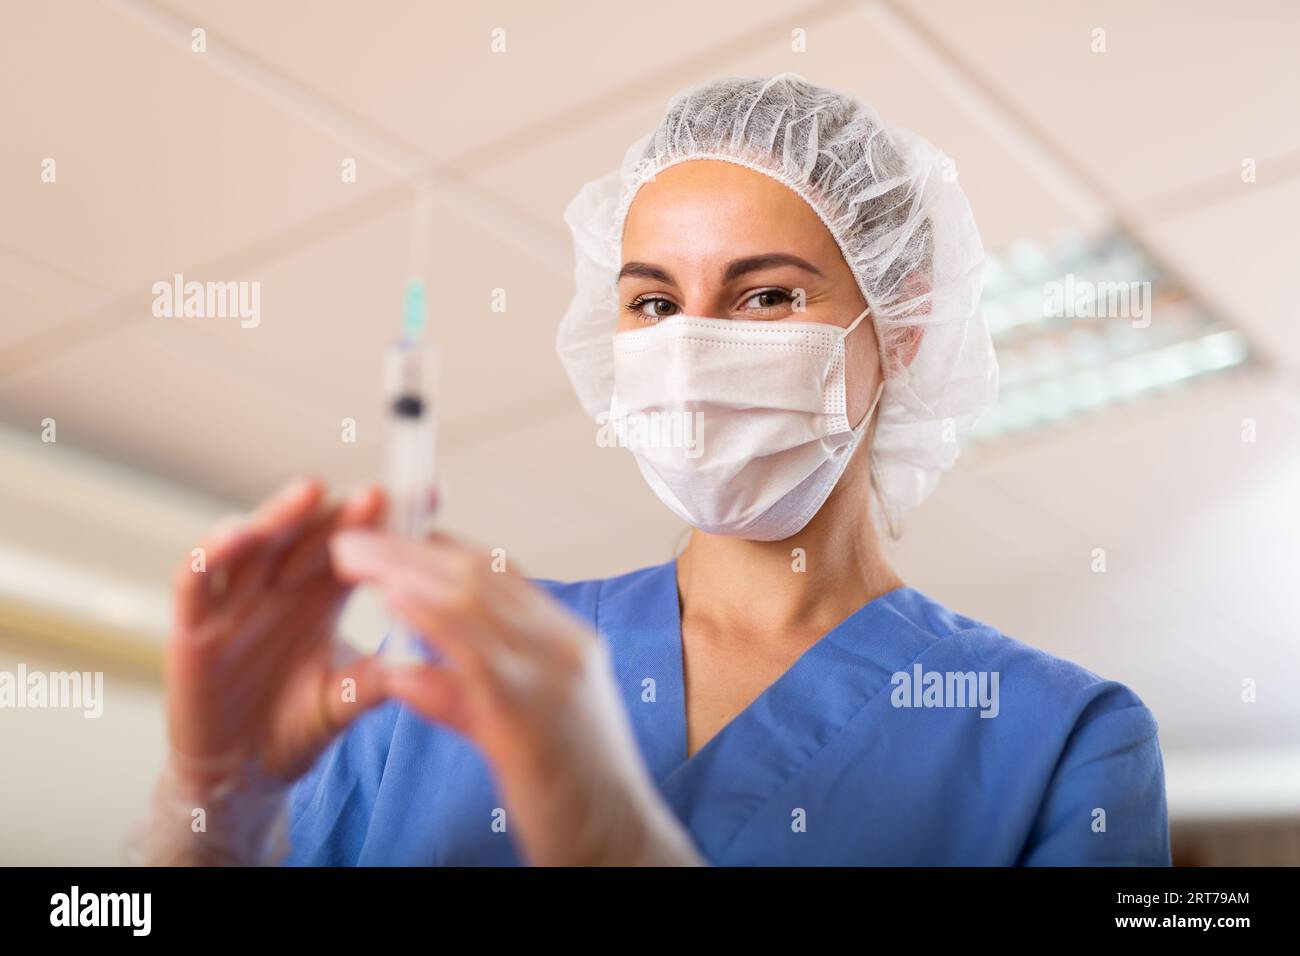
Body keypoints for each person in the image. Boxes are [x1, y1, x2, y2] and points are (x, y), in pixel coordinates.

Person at [133, 74, 1170, 866]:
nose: (690, 348)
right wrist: (210, 805)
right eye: (655, 304)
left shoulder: (1055, 739)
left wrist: (608, 834)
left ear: (898, 331)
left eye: (766, 296)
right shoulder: (445, 666)